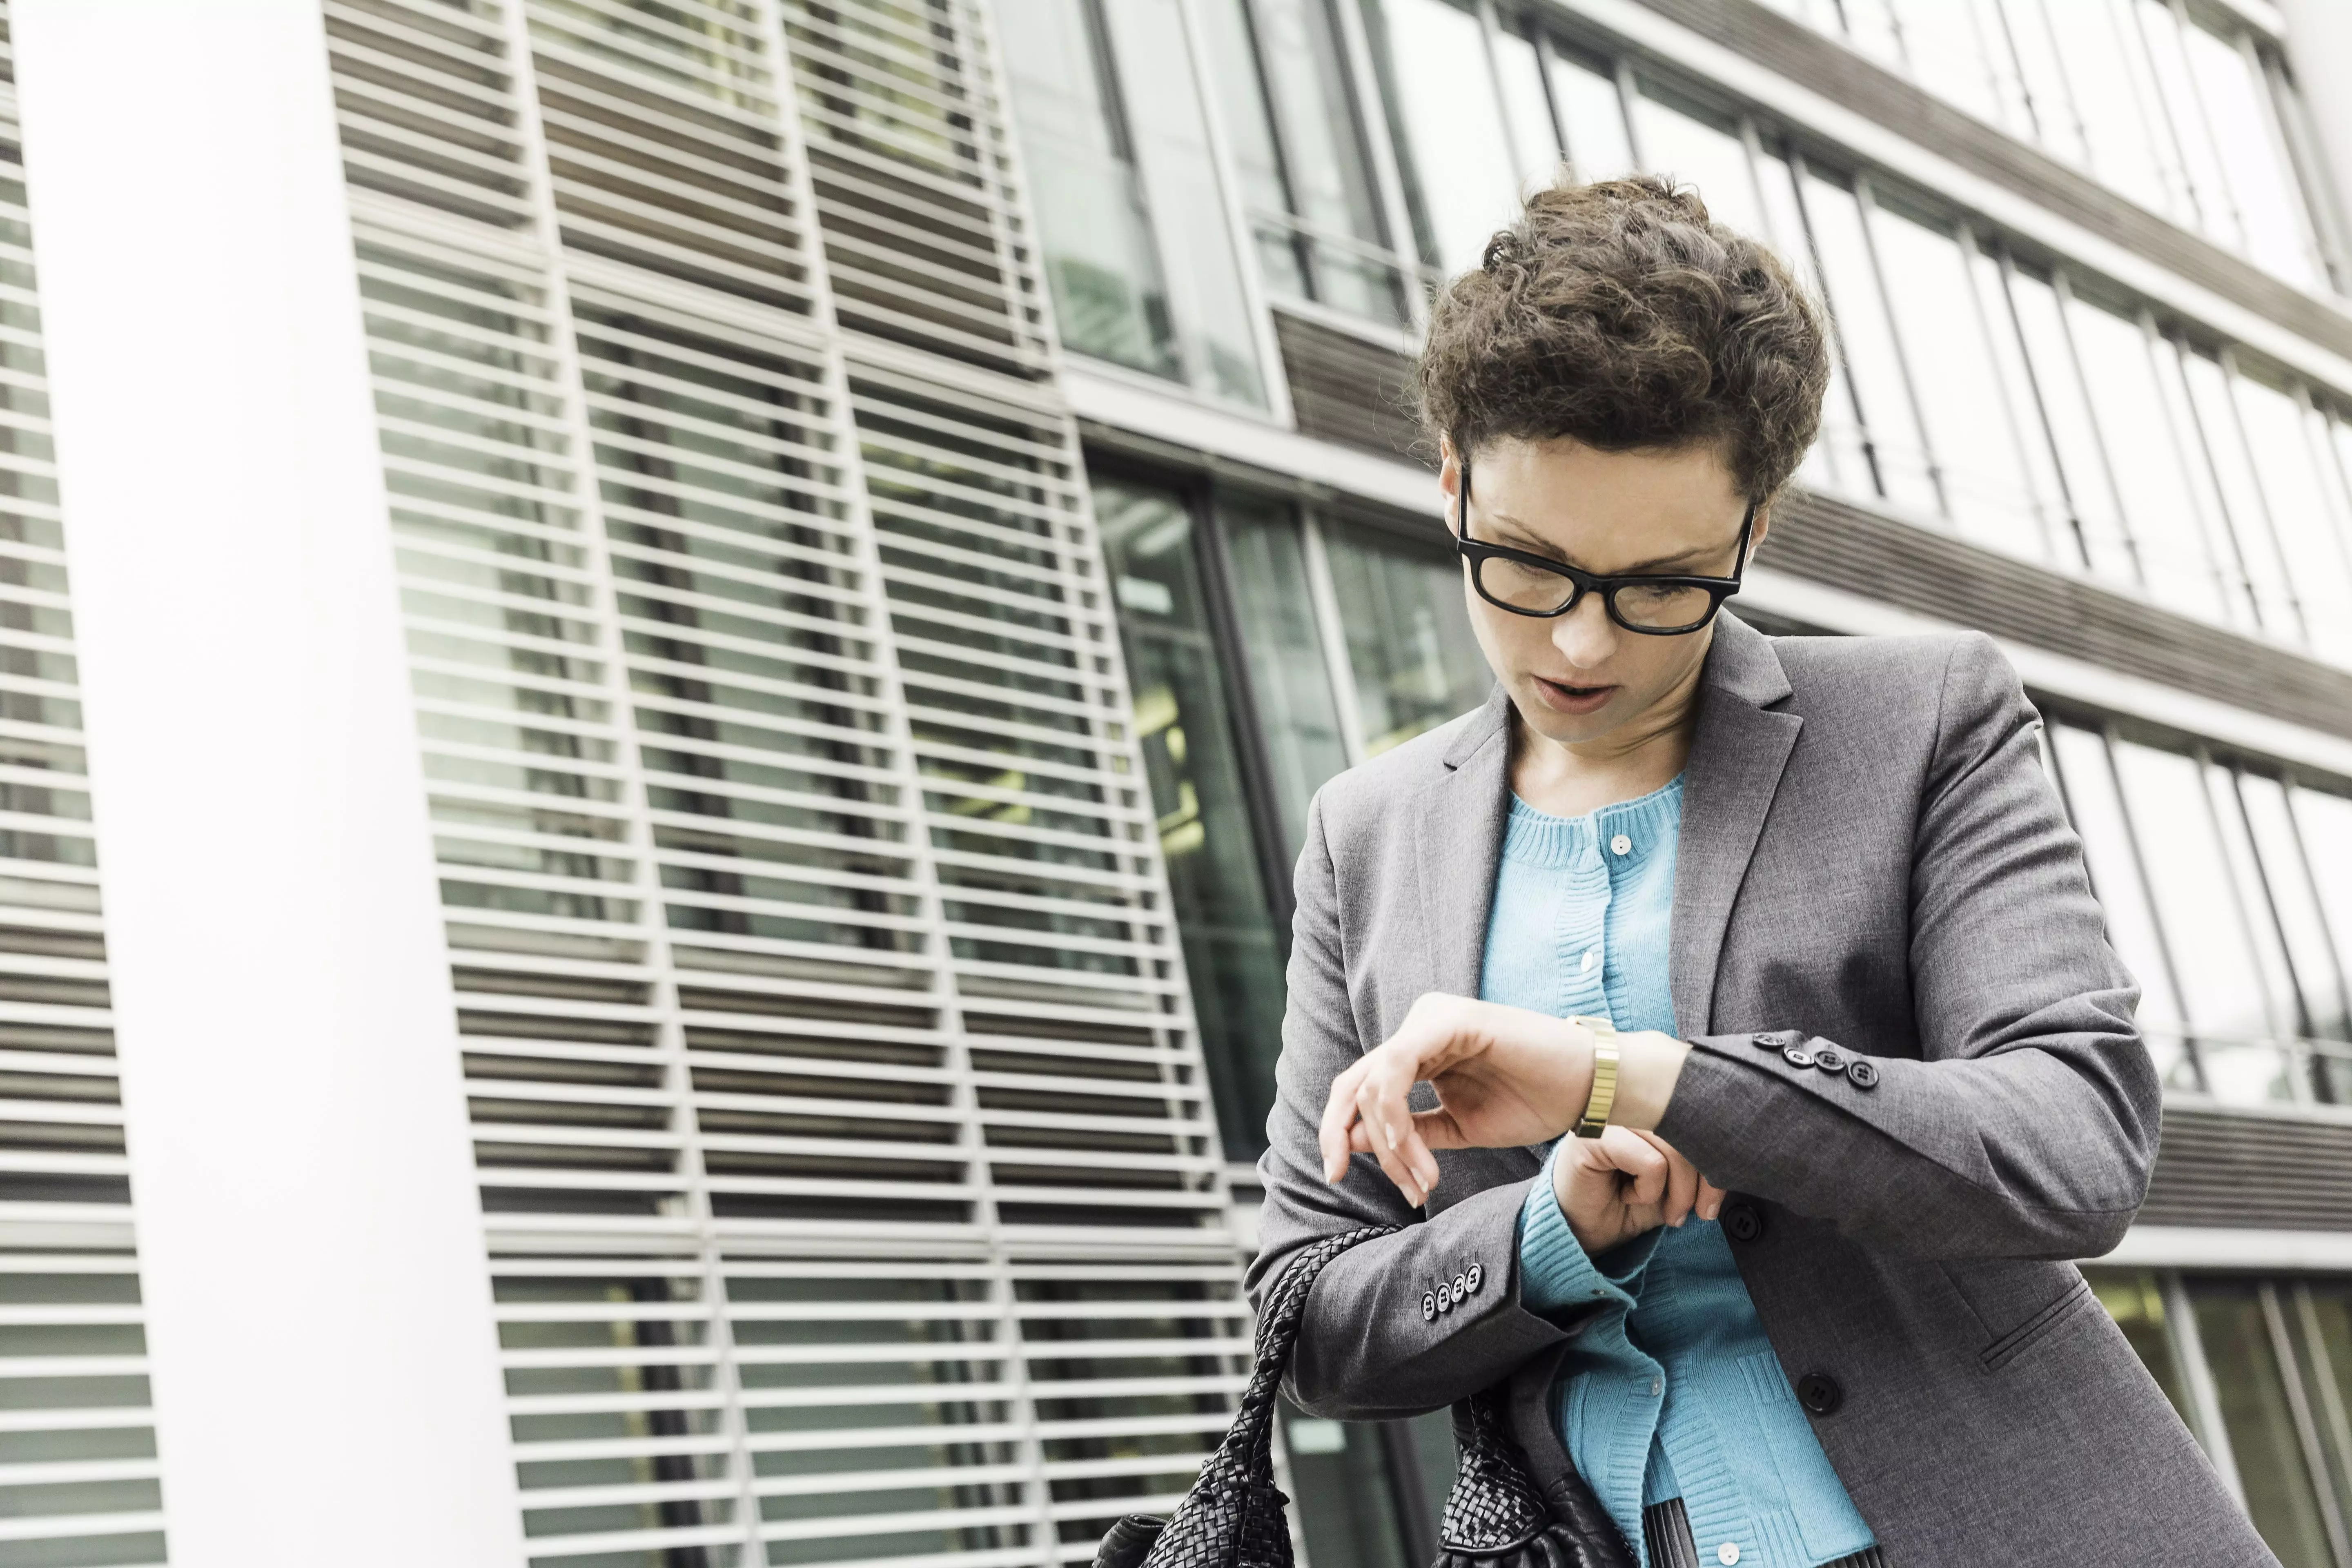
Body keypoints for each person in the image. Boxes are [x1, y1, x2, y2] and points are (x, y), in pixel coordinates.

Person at [1244, 174, 2273, 1568]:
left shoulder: (1923, 724)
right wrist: (1549, 1229)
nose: (1583, 646)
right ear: (1450, 481)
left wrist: (1639, 1078)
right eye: (1528, 568)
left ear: (1754, 532)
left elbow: (2074, 1144)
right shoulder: (1366, 837)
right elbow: (1308, 1315)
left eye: (1660, 584)